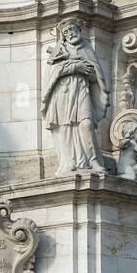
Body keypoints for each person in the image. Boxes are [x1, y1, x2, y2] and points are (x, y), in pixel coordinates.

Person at [41, 20, 109, 176]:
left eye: (72, 29)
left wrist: (87, 69)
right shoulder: (58, 50)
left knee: (86, 124)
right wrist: (73, 66)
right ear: (63, 36)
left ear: (79, 29)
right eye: (66, 32)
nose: (70, 33)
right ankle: (69, 161)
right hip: (62, 93)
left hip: (81, 90)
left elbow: (95, 76)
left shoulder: (86, 48)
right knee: (65, 127)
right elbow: (51, 73)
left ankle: (93, 161)